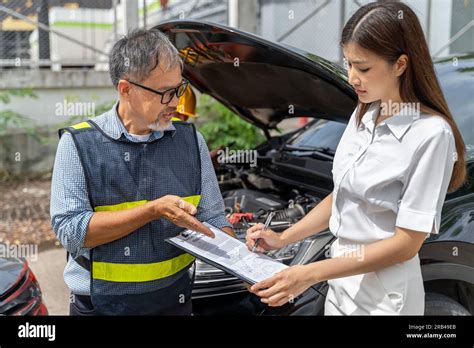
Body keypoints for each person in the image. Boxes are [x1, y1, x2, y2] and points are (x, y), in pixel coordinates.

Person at [245, 2, 466, 315]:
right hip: (340, 282)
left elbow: (407, 243)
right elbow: (343, 195)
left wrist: (309, 274)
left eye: (362, 68)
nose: (351, 77)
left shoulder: (431, 135)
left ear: (401, 64)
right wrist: (283, 238)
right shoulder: (364, 115)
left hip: (385, 298)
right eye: (348, 64)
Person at [50, 28, 234, 315]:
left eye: (178, 89)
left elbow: (214, 218)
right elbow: (72, 233)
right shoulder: (78, 144)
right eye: (164, 93)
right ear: (126, 89)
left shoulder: (190, 141)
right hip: (100, 308)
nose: (175, 102)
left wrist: (245, 259)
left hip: (175, 303)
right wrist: (152, 211)